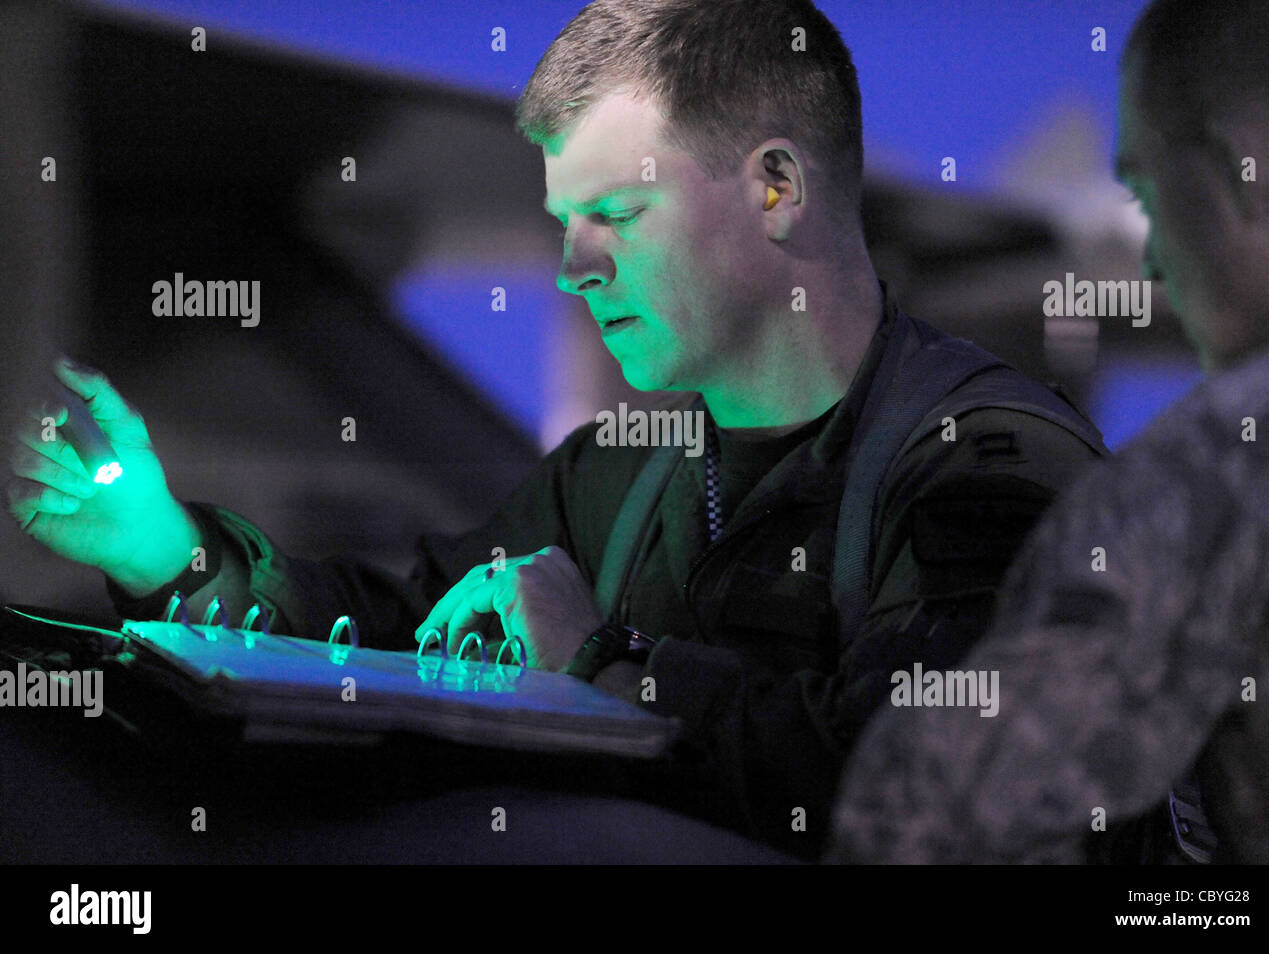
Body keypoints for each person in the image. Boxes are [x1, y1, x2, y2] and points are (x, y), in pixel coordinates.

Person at [6, 0, 1105, 859]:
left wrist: (605, 664)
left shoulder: (987, 466)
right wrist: (163, 548)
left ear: (778, 188)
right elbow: (399, 636)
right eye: (566, 225)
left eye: (619, 216)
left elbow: (950, 774)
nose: (577, 268)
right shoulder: (620, 481)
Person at [829, 0, 1269, 865]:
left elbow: (922, 833)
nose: (1152, 260)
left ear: (1242, 174)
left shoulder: (1205, 487)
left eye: (1152, 192)